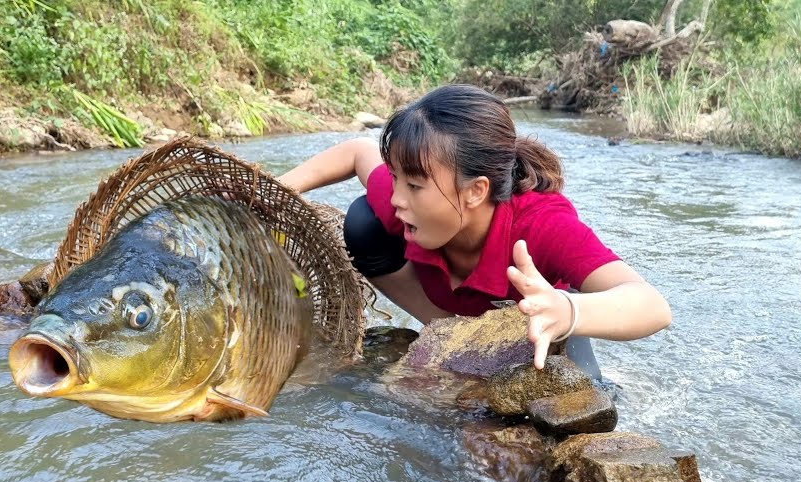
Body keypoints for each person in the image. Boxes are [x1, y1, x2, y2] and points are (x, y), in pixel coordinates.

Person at [278, 84, 671, 376]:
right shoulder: (407, 200)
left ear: (475, 191)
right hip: (452, 315)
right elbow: (355, 152)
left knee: (579, 401)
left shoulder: (541, 225)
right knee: (363, 222)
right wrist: (274, 190)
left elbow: (652, 306)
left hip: (540, 323)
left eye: (413, 185)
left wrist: (566, 311)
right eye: (395, 178)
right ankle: (444, 329)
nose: (397, 196)